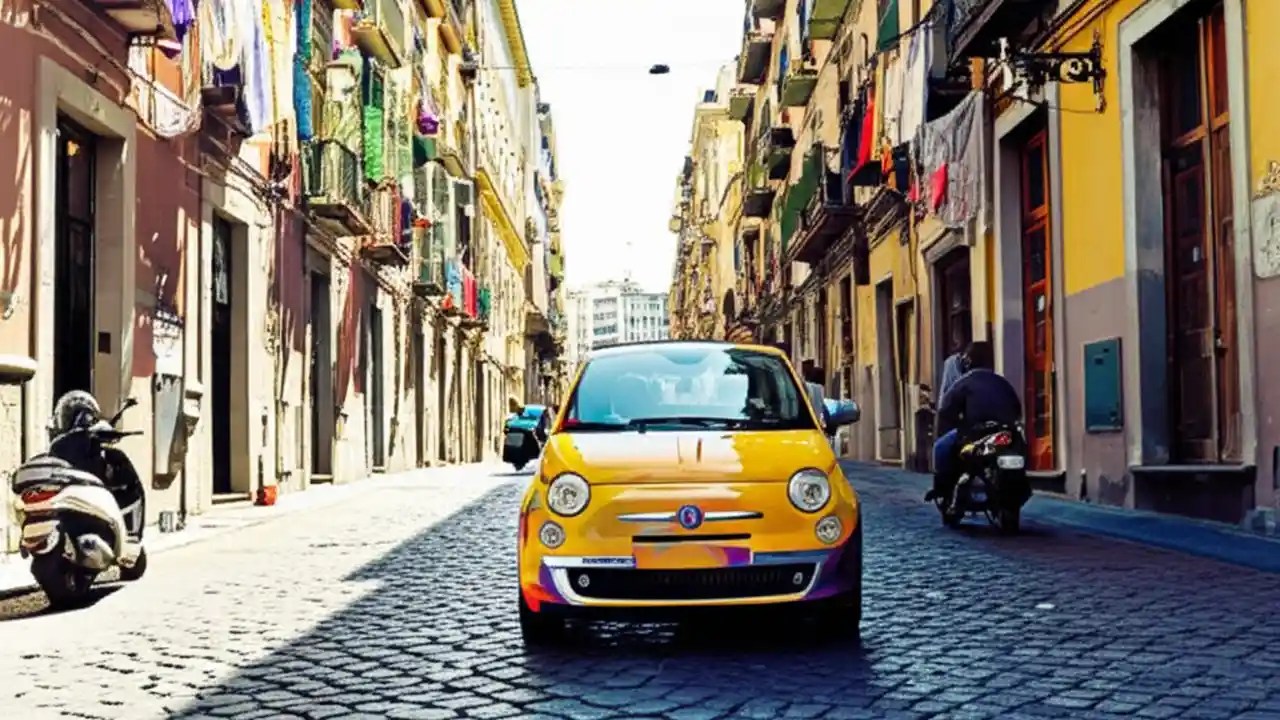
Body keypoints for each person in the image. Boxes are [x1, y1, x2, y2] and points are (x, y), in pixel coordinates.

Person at [926, 341, 1022, 503]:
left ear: (968, 361)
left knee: (940, 447)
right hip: (1004, 434)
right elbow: (1017, 409)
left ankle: (942, 489)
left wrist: (952, 424)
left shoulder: (964, 382)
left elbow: (946, 410)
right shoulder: (1002, 383)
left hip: (975, 434)